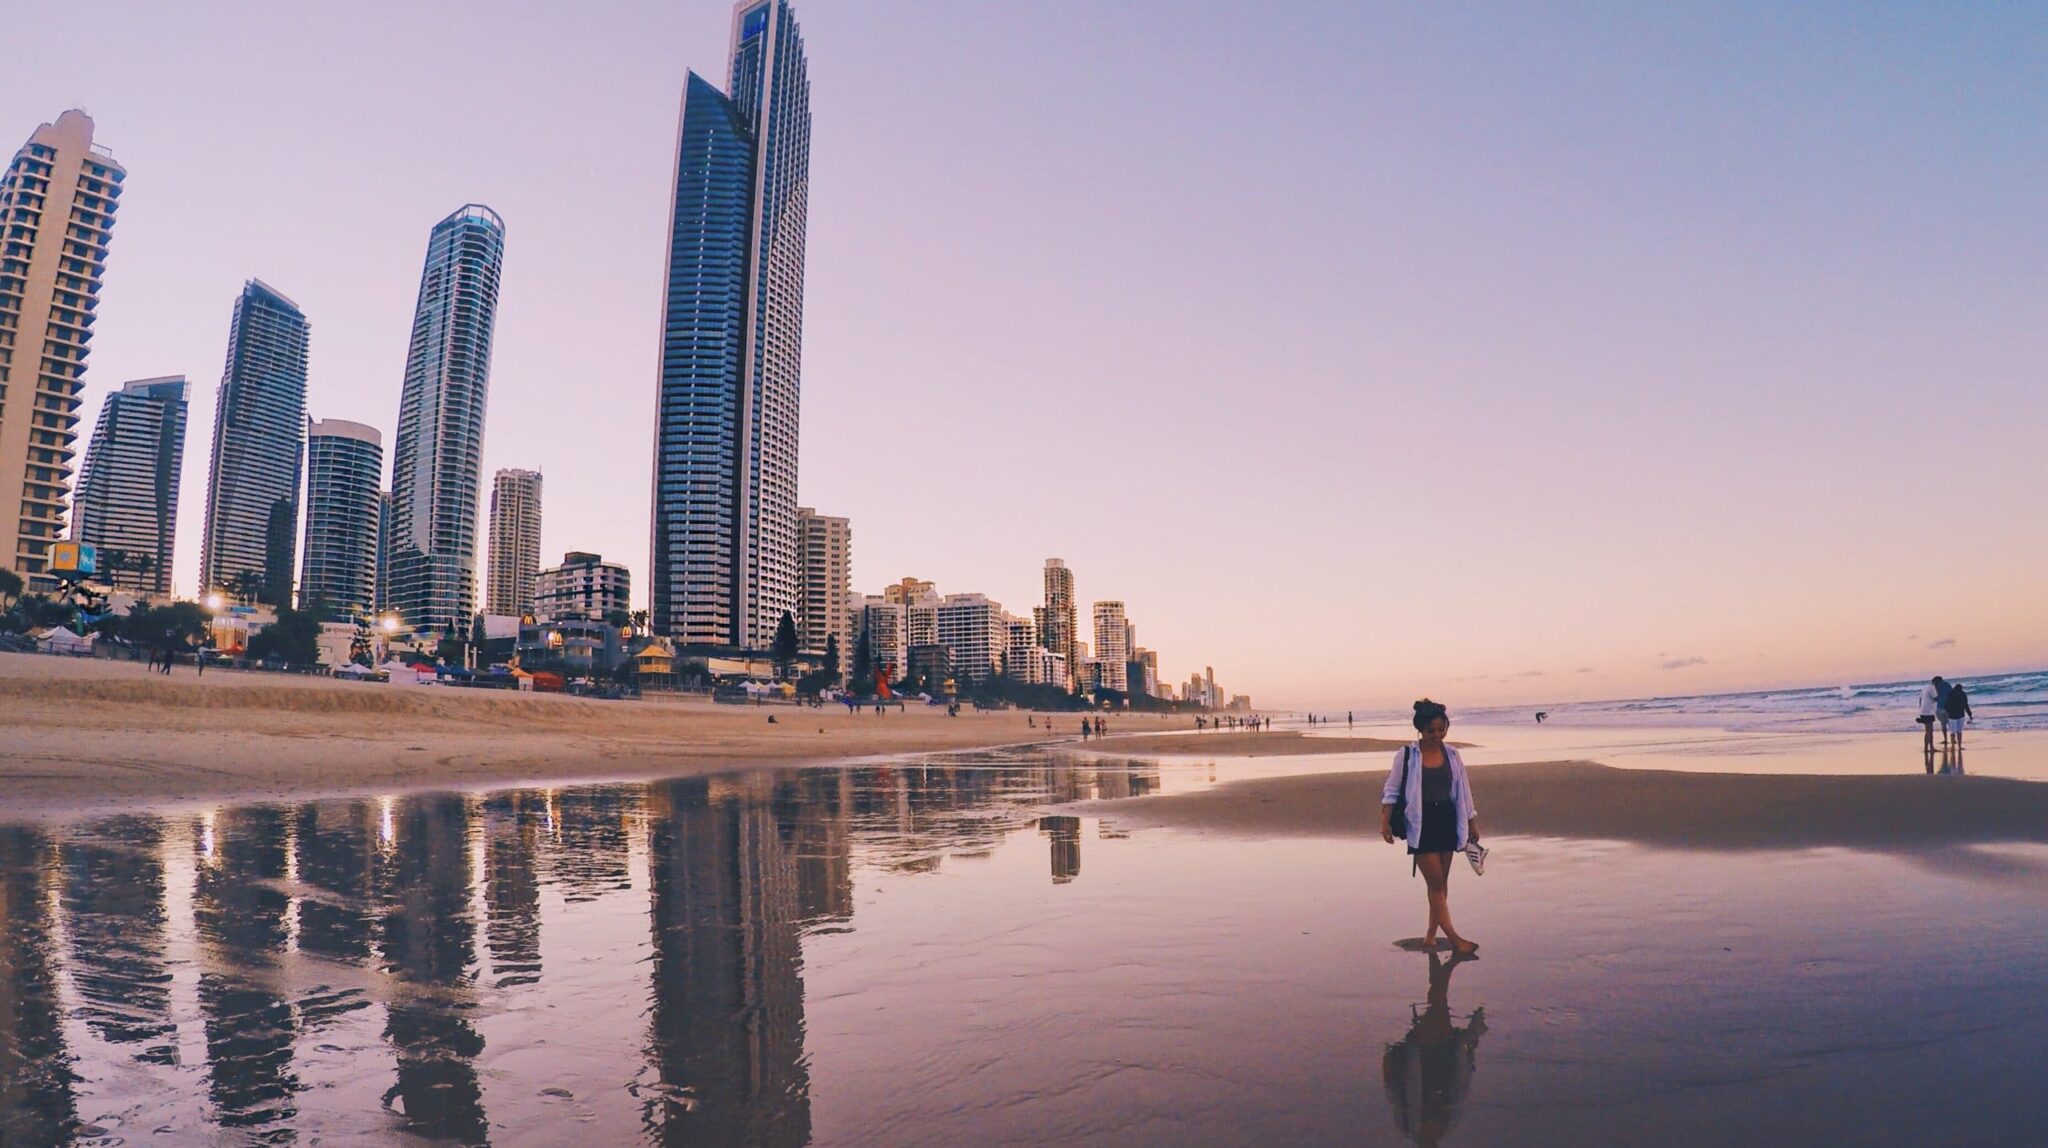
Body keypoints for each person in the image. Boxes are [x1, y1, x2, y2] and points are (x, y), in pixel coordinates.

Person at [1381, 698, 1480, 954]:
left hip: (1448, 820)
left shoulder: (1453, 754)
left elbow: (1464, 792)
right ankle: (1456, 940)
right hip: (1421, 824)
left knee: (1441, 886)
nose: (1437, 735)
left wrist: (1471, 823)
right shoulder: (1406, 756)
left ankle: (1430, 936)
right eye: (1431, 730)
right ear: (1420, 730)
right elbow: (1391, 791)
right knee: (1436, 885)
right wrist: (1385, 824)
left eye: (1442, 729)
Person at [1382, 949, 1485, 1147]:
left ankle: (1445, 963)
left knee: (1438, 1004)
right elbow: (1461, 1085)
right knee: (1439, 1004)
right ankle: (1442, 961)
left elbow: (1394, 1090)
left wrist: (1389, 1060)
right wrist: (1469, 1052)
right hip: (1443, 1052)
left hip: (1422, 1052)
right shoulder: (1447, 1124)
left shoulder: (1408, 1124)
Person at [1917, 676, 1945, 753]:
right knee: (1930, 731)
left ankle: (1926, 748)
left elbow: (1920, 698)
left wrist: (1920, 709)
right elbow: (1936, 698)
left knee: (1927, 731)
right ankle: (1931, 748)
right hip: (1928, 711)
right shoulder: (1932, 688)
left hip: (1923, 711)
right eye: (1940, 684)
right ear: (1937, 682)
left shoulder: (1925, 687)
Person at [1943, 681, 1974, 748]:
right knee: (1959, 731)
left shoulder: (1950, 694)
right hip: (1960, 715)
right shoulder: (1963, 694)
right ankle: (1959, 746)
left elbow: (1946, 706)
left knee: (1953, 732)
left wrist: (1948, 712)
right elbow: (1966, 705)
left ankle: (1953, 746)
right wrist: (1970, 714)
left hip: (1952, 716)